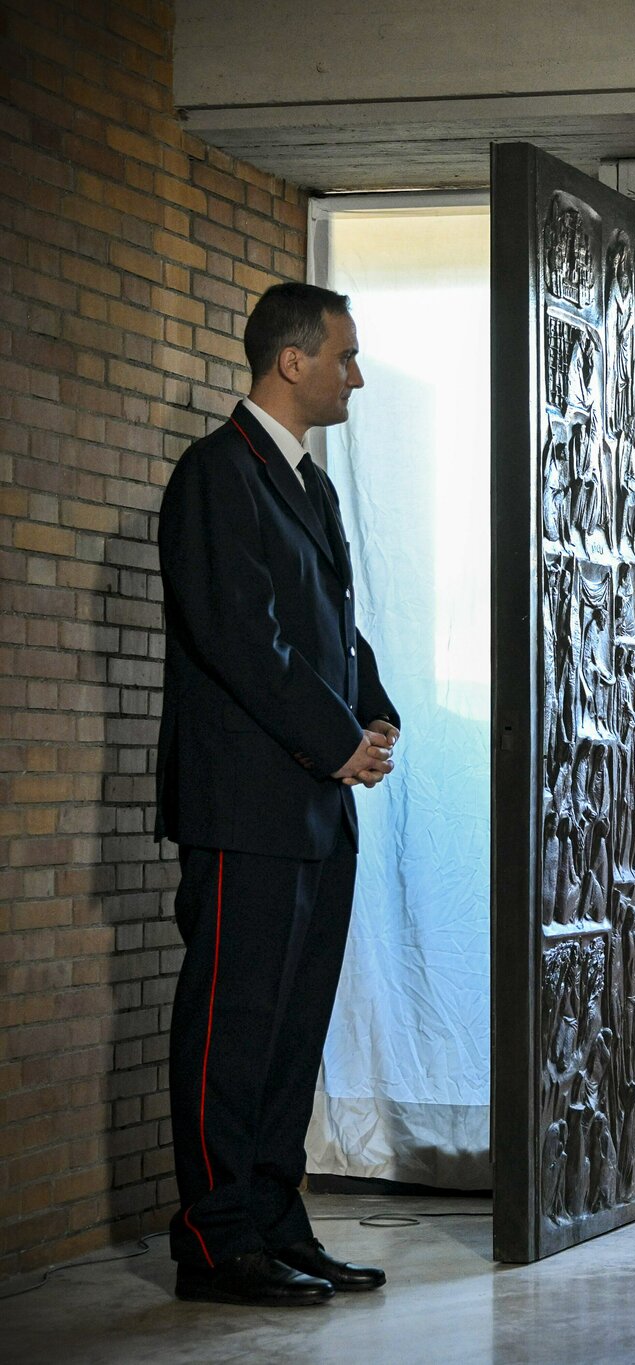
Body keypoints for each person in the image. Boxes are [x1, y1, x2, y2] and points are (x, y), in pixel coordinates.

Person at [155, 283, 399, 1306]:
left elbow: (331, 629)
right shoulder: (219, 474)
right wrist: (333, 739)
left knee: (292, 1027)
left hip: (312, 805)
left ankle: (273, 1220)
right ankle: (215, 1241)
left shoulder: (309, 484)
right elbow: (241, 636)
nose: (355, 372)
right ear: (290, 361)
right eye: (344, 354)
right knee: (233, 1024)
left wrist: (372, 712)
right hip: (245, 807)